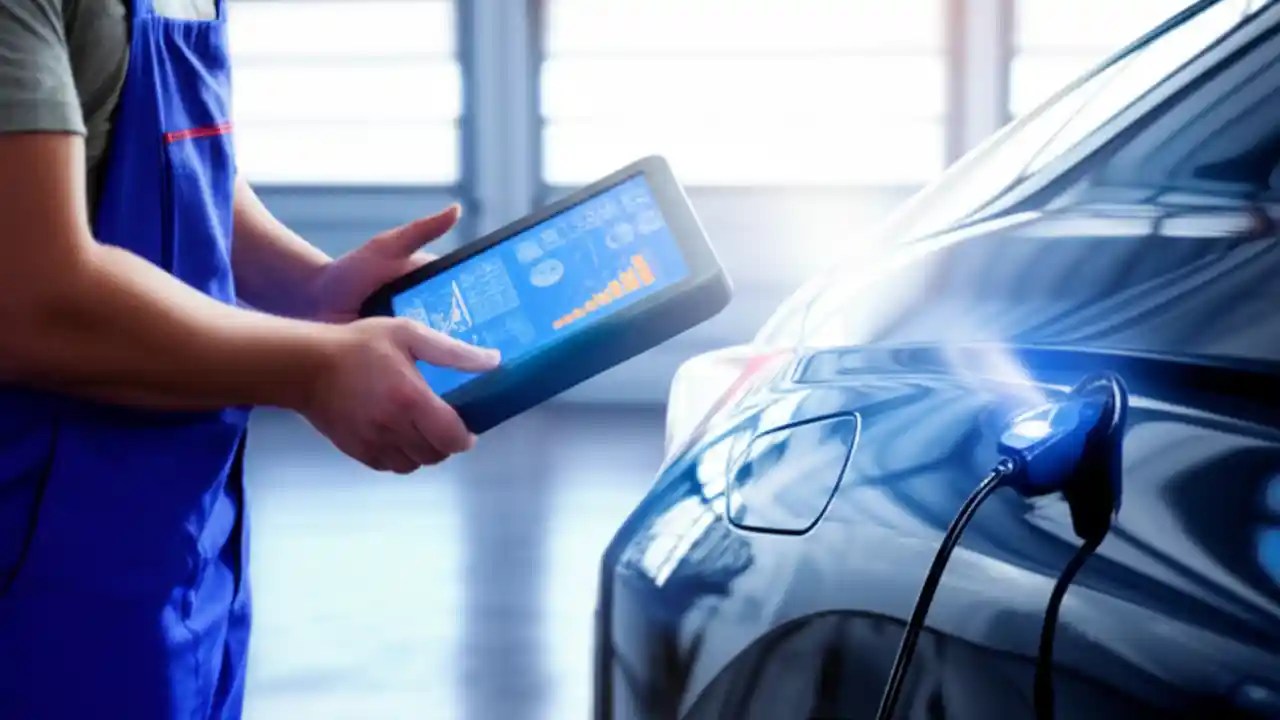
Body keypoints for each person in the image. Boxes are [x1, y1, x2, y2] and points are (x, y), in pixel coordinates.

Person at [0, 1, 498, 717]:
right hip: (33, 569)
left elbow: (162, 155)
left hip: (181, 552)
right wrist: (313, 366)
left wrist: (309, 286)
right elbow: (28, 293)